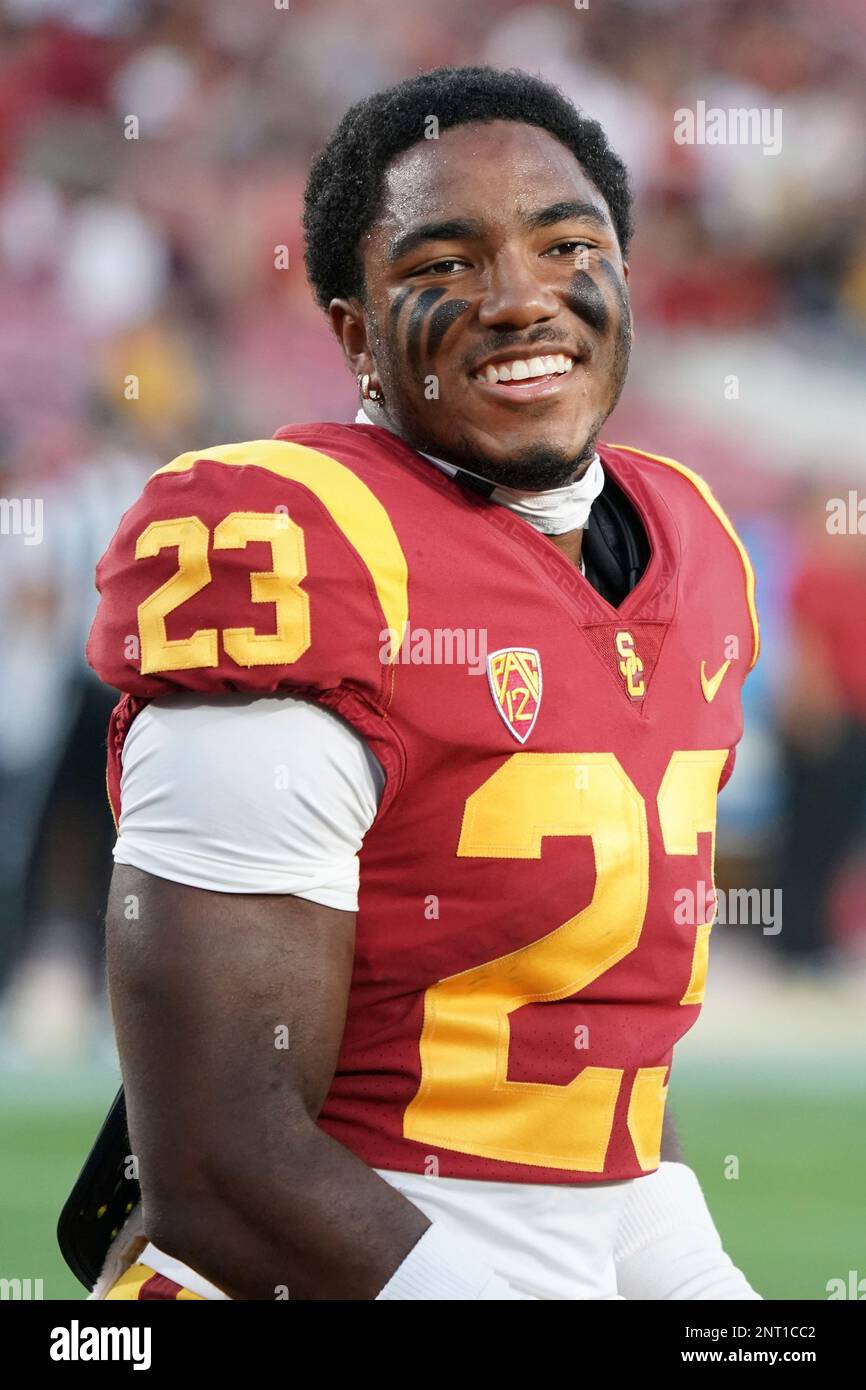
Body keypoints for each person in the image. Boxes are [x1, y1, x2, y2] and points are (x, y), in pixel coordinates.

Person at [60, 66, 762, 1301]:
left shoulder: (690, 535)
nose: (519, 299)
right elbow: (223, 1166)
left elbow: (596, 1078)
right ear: (353, 335)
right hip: (342, 1248)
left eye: (565, 244)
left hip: (603, 1222)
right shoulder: (289, 553)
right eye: (444, 263)